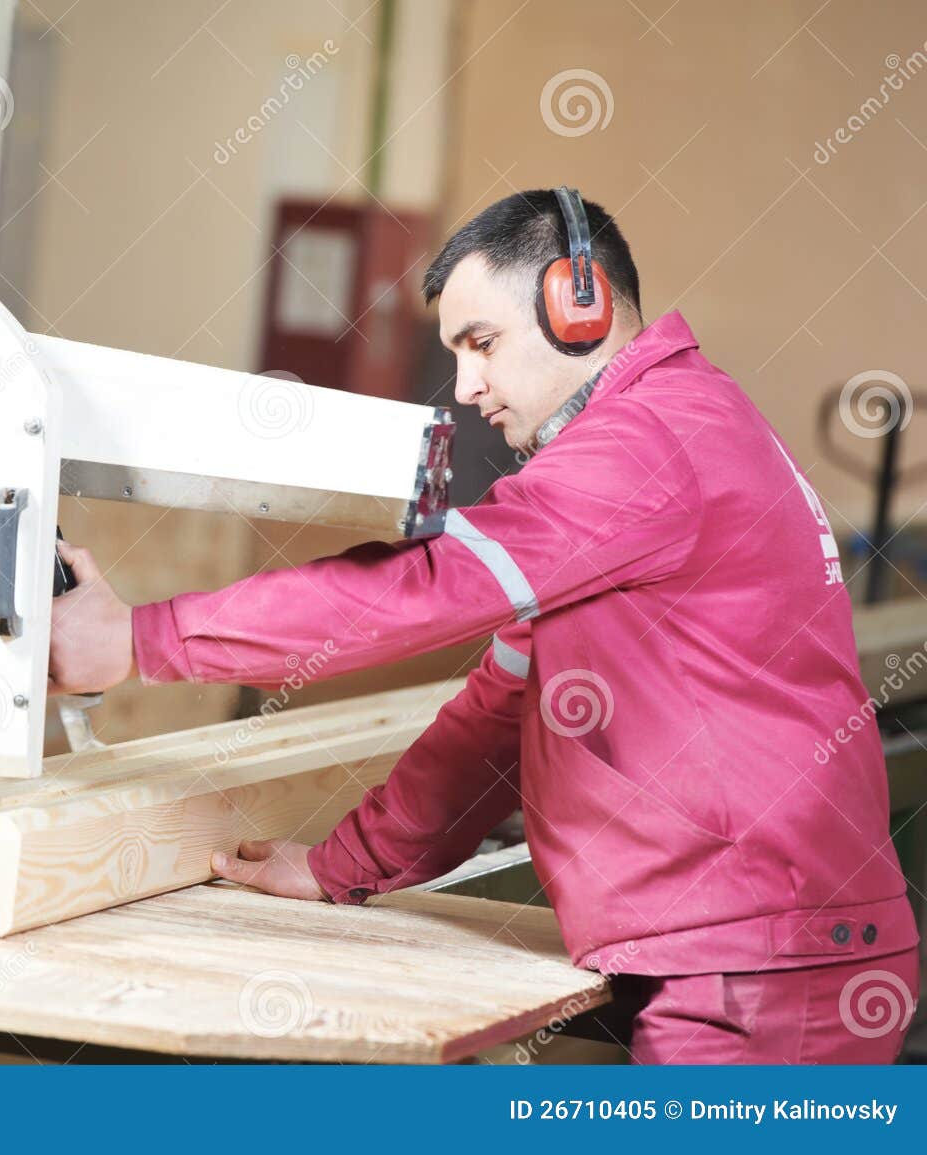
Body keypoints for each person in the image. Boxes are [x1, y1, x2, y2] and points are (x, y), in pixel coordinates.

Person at [46, 188, 920, 1064]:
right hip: (758, 951)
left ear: (582, 304)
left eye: (483, 344)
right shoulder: (668, 432)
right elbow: (504, 708)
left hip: (768, 968)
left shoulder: (645, 442)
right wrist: (340, 864)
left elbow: (427, 583)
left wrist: (140, 639)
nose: (467, 390)